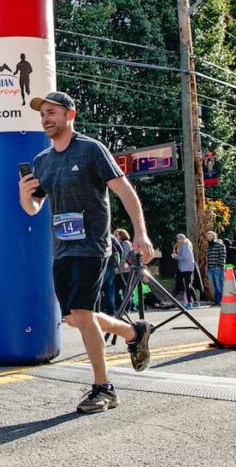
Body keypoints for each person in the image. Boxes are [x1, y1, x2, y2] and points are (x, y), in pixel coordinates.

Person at [19, 91, 154, 414]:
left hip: (92, 245)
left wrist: (140, 233)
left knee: (82, 314)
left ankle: (103, 387)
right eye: (42, 114)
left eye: (51, 112)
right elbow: (34, 208)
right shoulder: (42, 161)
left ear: (70, 115)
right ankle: (134, 332)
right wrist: (25, 195)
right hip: (62, 249)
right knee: (74, 318)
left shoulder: (91, 150)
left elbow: (124, 191)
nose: (45, 119)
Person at [172, 233, 197, 307]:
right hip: (187, 268)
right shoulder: (185, 246)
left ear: (183, 239)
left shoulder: (185, 246)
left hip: (186, 268)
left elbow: (185, 257)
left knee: (187, 285)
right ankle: (195, 302)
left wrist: (176, 257)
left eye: (179, 238)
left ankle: (189, 303)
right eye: (177, 239)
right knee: (188, 285)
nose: (178, 240)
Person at [205, 231, 226, 307]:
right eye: (208, 236)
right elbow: (207, 258)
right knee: (213, 287)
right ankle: (216, 301)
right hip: (210, 268)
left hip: (218, 268)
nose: (209, 237)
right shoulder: (209, 246)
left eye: (210, 236)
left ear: (214, 236)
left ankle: (222, 301)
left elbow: (223, 256)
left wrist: (220, 266)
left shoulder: (220, 245)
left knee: (219, 285)